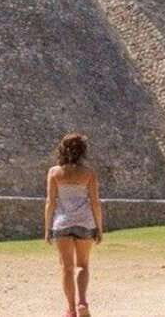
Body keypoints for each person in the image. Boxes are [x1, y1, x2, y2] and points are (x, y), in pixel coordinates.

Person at [44, 132, 103, 317]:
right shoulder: (88, 174)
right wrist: (99, 228)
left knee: (66, 268)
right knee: (83, 266)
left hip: (62, 223)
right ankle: (82, 303)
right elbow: (95, 202)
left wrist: (47, 228)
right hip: (85, 223)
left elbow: (50, 202)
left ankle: (70, 310)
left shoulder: (54, 172)